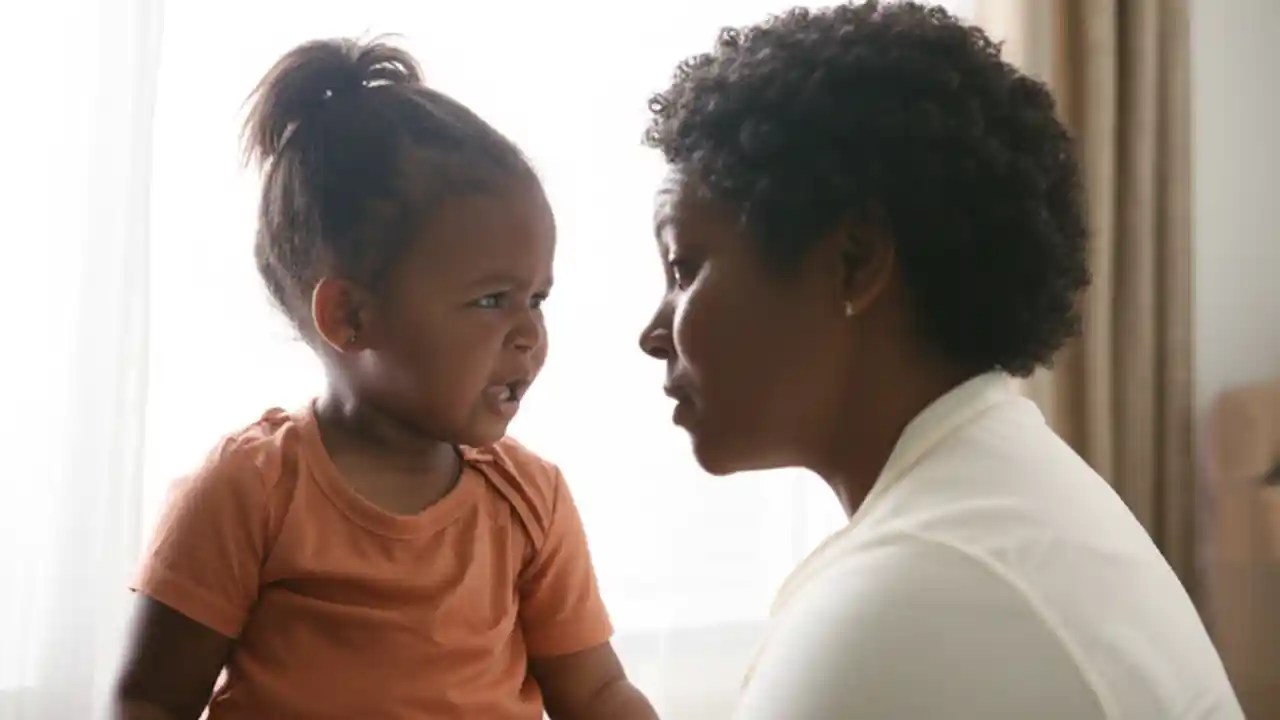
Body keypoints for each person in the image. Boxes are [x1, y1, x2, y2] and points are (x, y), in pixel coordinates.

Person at [638, 2, 1243, 718]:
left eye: (685, 268)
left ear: (854, 263)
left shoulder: (913, 592)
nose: (653, 332)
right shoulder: (1006, 495)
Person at [114, 37, 655, 720]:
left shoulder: (529, 500)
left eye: (537, 298)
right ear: (350, 315)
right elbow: (150, 701)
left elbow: (597, 692)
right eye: (492, 300)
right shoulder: (250, 488)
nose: (529, 332)